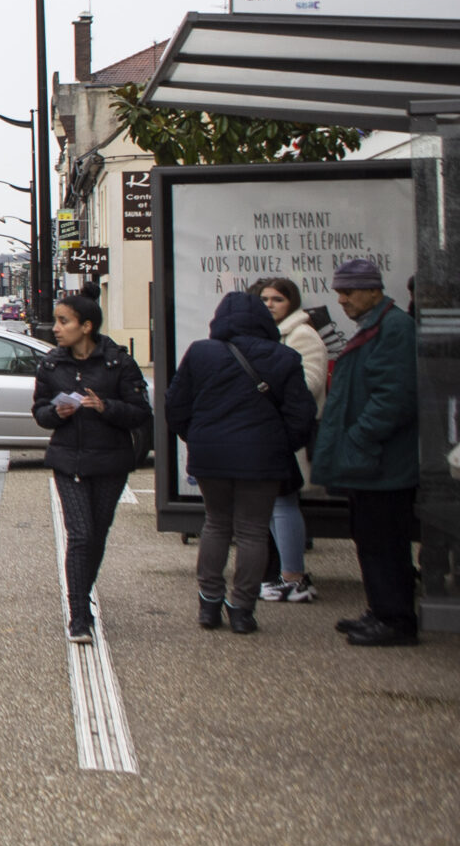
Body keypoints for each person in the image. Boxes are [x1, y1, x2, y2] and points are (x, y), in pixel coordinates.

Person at [168, 289, 318, 633]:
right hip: (262, 457)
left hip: (210, 454)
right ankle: (242, 610)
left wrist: (198, 437)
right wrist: (279, 445)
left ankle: (208, 605)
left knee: (216, 524)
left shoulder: (201, 352)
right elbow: (301, 416)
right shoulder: (283, 357)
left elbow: (175, 405)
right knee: (252, 531)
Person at [309, 258, 421, 647]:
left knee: (385, 542)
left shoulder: (393, 329)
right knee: (371, 539)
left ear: (374, 290)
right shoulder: (377, 326)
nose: (342, 300)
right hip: (374, 462)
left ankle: (395, 619)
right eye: (339, 292)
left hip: (384, 463)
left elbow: (396, 398)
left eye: (350, 292)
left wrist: (358, 438)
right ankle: (380, 611)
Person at [31, 290, 152, 643]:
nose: (56, 328)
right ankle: (79, 615)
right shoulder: (52, 364)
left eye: (63, 321)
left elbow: (140, 413)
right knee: (80, 535)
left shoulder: (118, 363)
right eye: (56, 321)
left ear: (86, 326)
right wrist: (56, 413)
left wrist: (105, 407)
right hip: (68, 461)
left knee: (96, 536)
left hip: (110, 461)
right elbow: (40, 412)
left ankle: (83, 595)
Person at [254, 276, 328, 605]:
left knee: (285, 503)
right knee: (275, 505)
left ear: (292, 303)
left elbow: (309, 383)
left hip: (291, 432)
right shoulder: (275, 334)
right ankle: (286, 574)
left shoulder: (303, 334)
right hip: (273, 431)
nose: (269, 304)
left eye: (277, 299)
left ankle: (293, 576)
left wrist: (265, 388)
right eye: (265, 299)